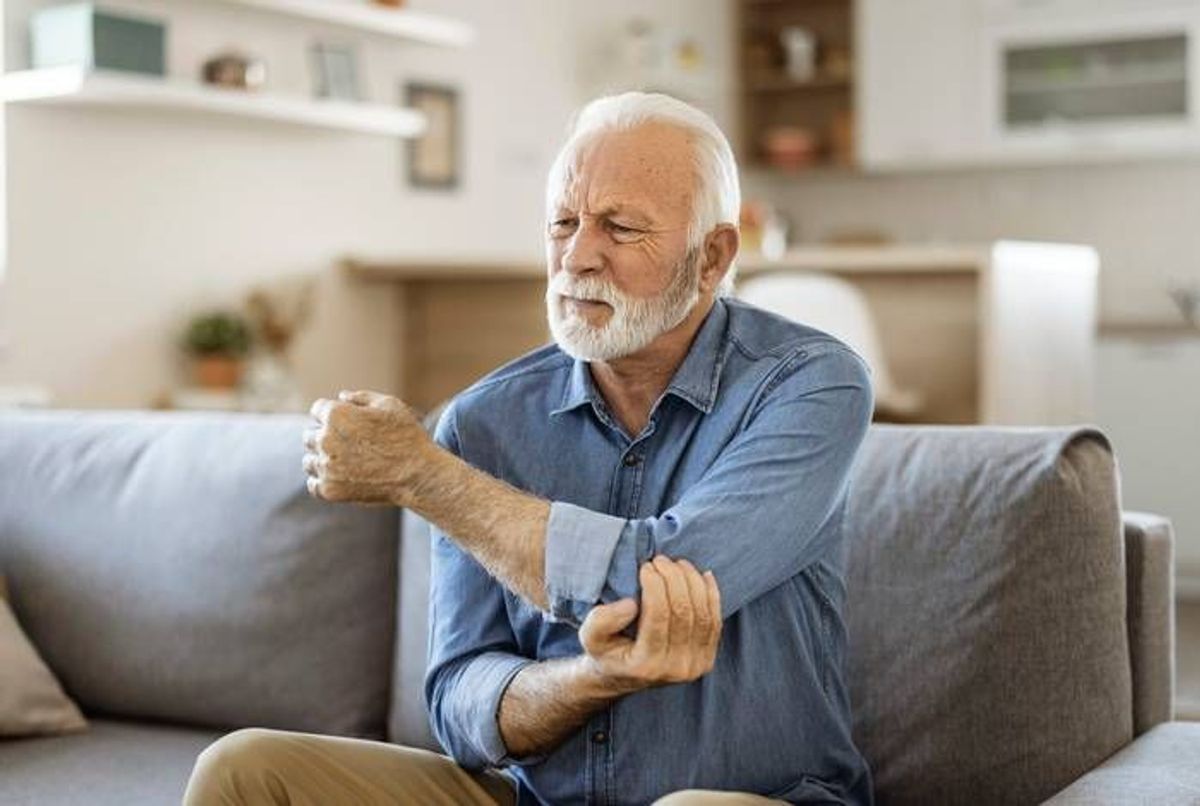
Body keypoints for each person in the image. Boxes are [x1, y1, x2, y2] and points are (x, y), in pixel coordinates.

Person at [183, 91, 875, 806]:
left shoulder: (809, 385)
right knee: (246, 770)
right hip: (536, 798)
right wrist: (593, 679)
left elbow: (653, 590)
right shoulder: (482, 422)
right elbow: (458, 702)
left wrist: (425, 478)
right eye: (563, 223)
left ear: (712, 257)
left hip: (751, 799)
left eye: (620, 227)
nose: (577, 256)